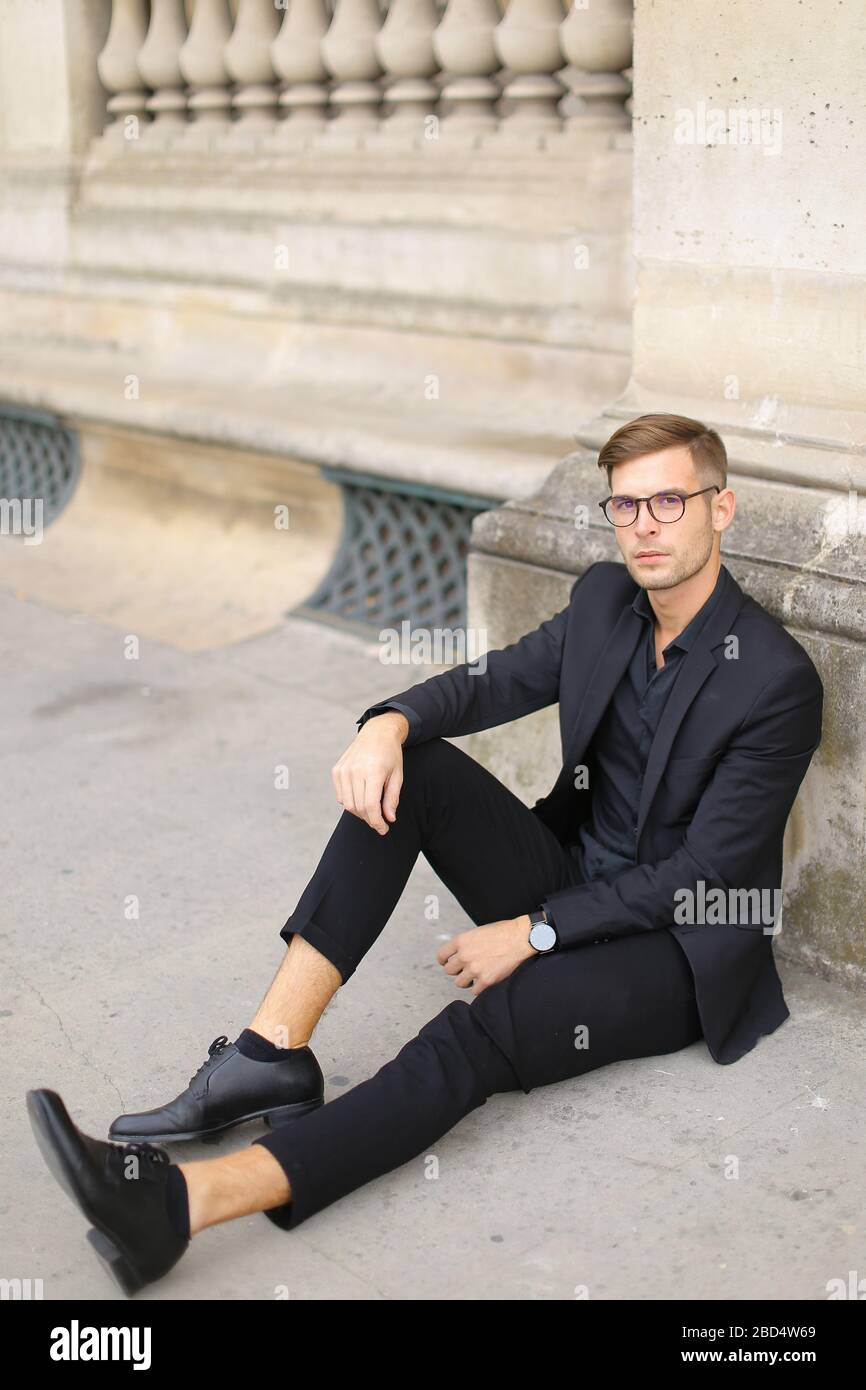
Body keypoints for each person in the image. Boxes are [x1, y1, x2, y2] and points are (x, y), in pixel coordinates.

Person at [26, 413, 823, 1296]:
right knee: (417, 770)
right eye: (625, 505)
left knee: (476, 1035)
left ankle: (182, 1205)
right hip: (574, 874)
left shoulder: (774, 680)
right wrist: (387, 725)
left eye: (669, 501)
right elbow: (491, 683)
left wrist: (536, 933)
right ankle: (269, 1052)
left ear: (724, 509)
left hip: (675, 951)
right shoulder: (605, 602)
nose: (644, 525)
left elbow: (702, 879)